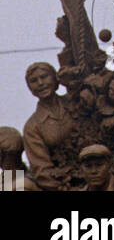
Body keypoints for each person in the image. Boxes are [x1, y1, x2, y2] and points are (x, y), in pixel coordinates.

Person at [22, 62, 79, 191]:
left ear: (55, 78)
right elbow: (42, 171)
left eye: (44, 76)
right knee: (15, 186)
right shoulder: (32, 127)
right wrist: (64, 187)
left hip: (95, 170)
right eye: (34, 81)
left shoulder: (75, 103)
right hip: (62, 184)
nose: (40, 83)